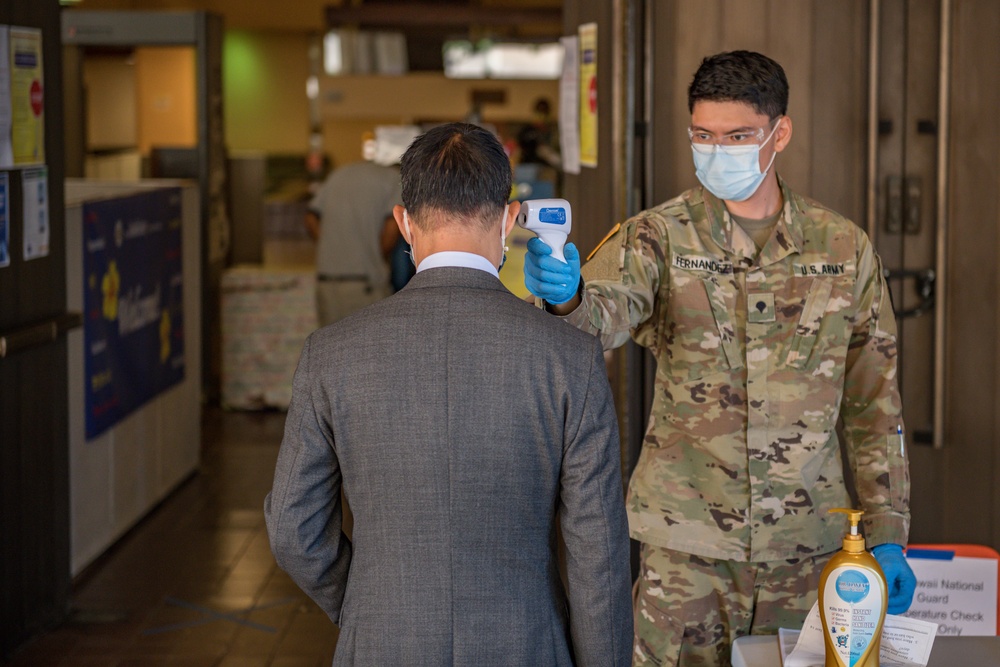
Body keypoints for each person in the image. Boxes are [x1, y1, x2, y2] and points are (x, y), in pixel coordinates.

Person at [523, 50, 916, 665]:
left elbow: (874, 403)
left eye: (737, 136)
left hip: (807, 547)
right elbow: (603, 316)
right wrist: (566, 294)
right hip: (688, 553)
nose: (718, 151)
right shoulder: (659, 235)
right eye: (702, 136)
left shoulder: (843, 248)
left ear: (779, 132)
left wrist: (887, 533)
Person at [265, 122, 633, 666]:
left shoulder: (332, 352)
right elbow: (597, 555)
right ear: (510, 221)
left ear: (404, 223)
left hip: (382, 643)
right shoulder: (569, 357)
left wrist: (367, 604)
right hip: (527, 643)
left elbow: (293, 530)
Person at [306, 157, 401, 327]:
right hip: (364, 286)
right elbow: (392, 227)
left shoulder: (340, 174)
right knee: (367, 349)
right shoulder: (395, 179)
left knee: (330, 348)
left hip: (326, 283)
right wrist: (377, 255)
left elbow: (310, 217)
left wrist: (329, 245)